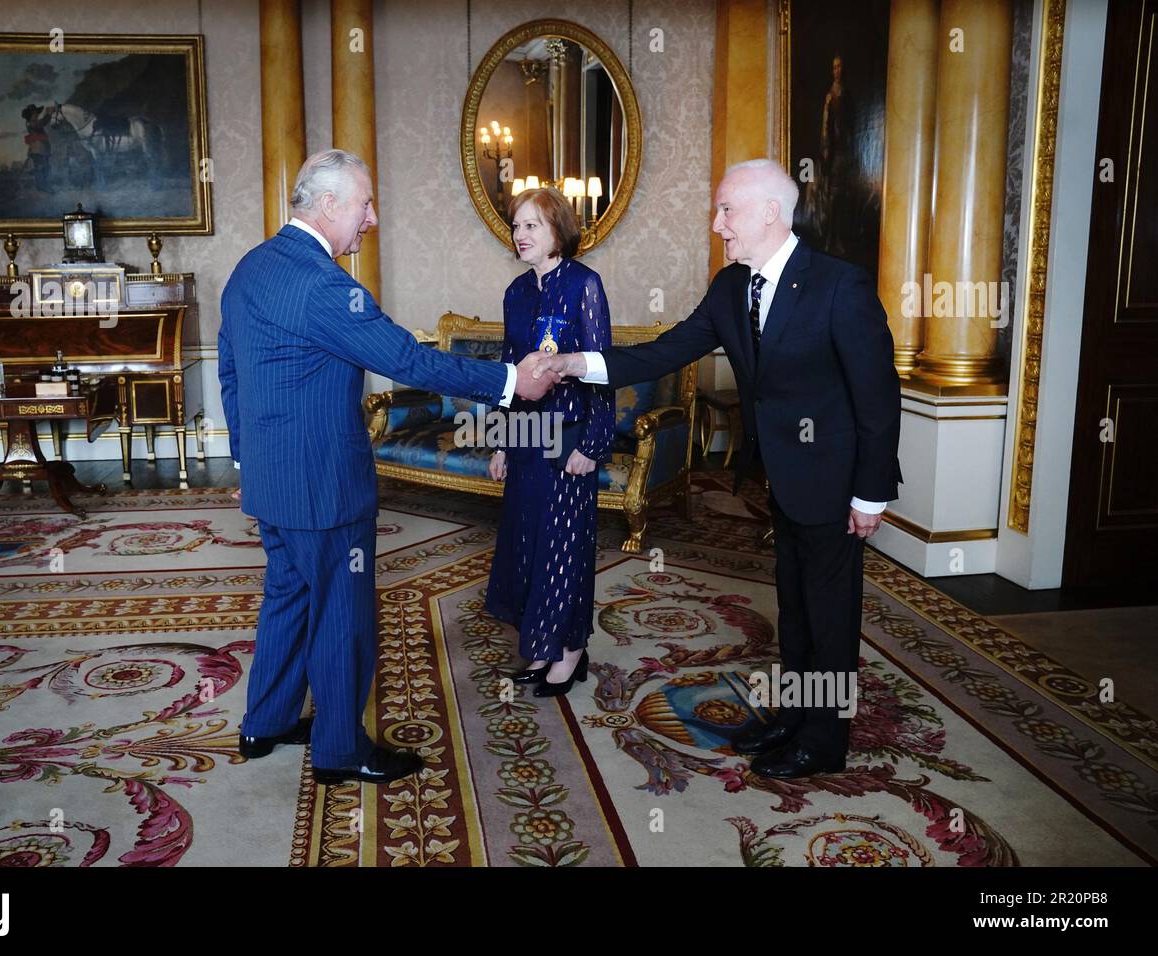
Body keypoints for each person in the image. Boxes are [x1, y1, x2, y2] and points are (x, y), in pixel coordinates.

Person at [530, 158, 902, 779]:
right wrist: (575, 364)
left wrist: (871, 493)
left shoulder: (841, 285)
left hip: (834, 482)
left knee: (831, 614)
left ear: (770, 213)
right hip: (775, 479)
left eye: (727, 210)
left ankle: (826, 740)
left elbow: (877, 396)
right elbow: (665, 350)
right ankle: (796, 714)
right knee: (795, 608)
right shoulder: (732, 287)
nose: (717, 224)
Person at [219, 149, 561, 786]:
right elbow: (408, 359)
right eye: (364, 204)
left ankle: (263, 722)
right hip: (324, 486)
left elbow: (231, 372)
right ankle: (341, 749)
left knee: (287, 597)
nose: (371, 218)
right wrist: (511, 381)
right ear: (327, 206)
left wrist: (247, 454)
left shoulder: (252, 267)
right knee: (343, 610)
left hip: (272, 481)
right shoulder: (323, 286)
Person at [484, 187, 615, 697]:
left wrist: (596, 443)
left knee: (564, 544)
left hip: (570, 436)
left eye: (532, 225)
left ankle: (571, 650)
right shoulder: (515, 292)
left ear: (558, 230)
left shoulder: (585, 284)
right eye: (517, 225)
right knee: (528, 542)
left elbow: (602, 370)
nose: (520, 235)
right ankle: (541, 647)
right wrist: (499, 440)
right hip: (524, 437)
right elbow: (508, 371)